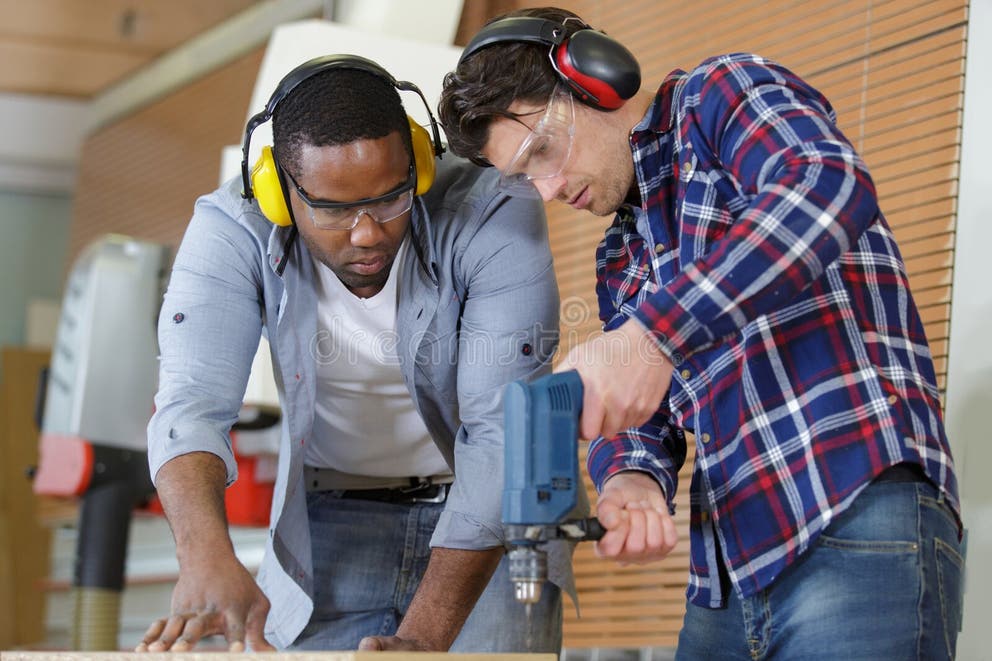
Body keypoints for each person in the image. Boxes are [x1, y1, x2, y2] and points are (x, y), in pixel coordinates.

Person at [439, 7, 965, 660]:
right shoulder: (621, 254)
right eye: (525, 178)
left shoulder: (718, 96)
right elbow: (645, 408)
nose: (546, 190)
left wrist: (654, 336)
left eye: (542, 150)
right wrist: (631, 478)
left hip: (850, 513)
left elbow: (825, 185)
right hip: (728, 576)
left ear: (597, 80)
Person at [136, 54, 573, 653]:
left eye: (391, 197)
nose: (367, 233)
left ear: (419, 165)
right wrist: (204, 559)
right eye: (334, 210)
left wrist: (422, 639)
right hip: (332, 518)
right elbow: (191, 406)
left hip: (494, 522)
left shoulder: (492, 208)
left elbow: (502, 435)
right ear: (280, 194)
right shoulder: (232, 228)